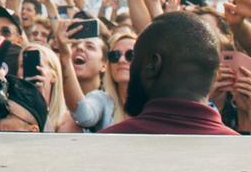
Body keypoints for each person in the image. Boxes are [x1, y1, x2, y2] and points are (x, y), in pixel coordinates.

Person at [101, 12, 237, 135]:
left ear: (152, 65)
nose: (129, 67)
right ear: (215, 76)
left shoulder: (103, 145)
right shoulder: (244, 152)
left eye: (133, 57)